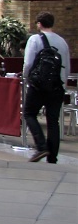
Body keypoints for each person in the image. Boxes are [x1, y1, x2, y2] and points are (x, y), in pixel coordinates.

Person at [21, 12, 71, 164]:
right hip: (57, 86)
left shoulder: (35, 39)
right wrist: (63, 84)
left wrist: (26, 77)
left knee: (29, 113)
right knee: (53, 120)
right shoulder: (62, 42)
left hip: (38, 85)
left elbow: (28, 63)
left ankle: (41, 146)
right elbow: (67, 67)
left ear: (39, 24)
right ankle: (52, 157)